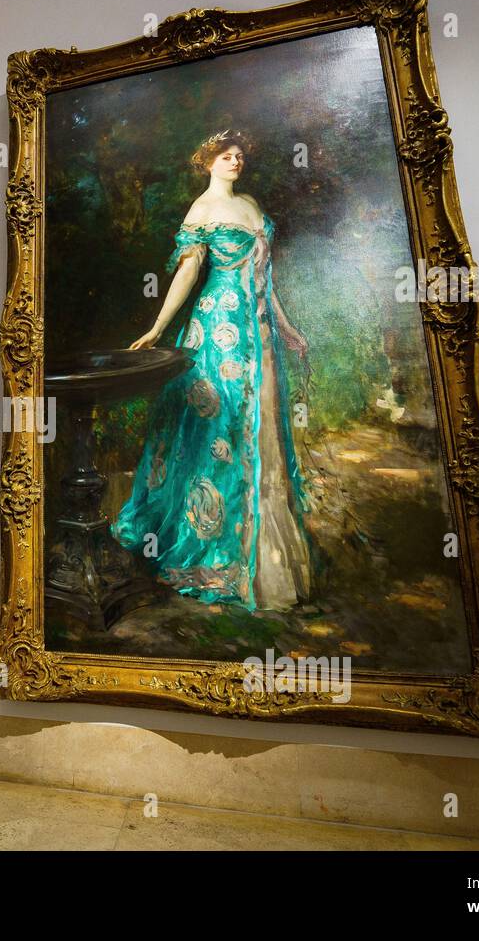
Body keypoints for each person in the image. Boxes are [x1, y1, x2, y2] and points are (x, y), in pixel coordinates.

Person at [111, 130, 314, 612]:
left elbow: (265, 280)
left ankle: (266, 558)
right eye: (226, 156)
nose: (235, 161)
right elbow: (187, 272)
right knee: (219, 434)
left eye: (241, 155)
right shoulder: (202, 210)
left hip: (258, 334)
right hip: (218, 331)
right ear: (207, 161)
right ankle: (216, 552)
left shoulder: (250, 203)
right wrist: (160, 326)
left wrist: (285, 327)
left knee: (258, 432)